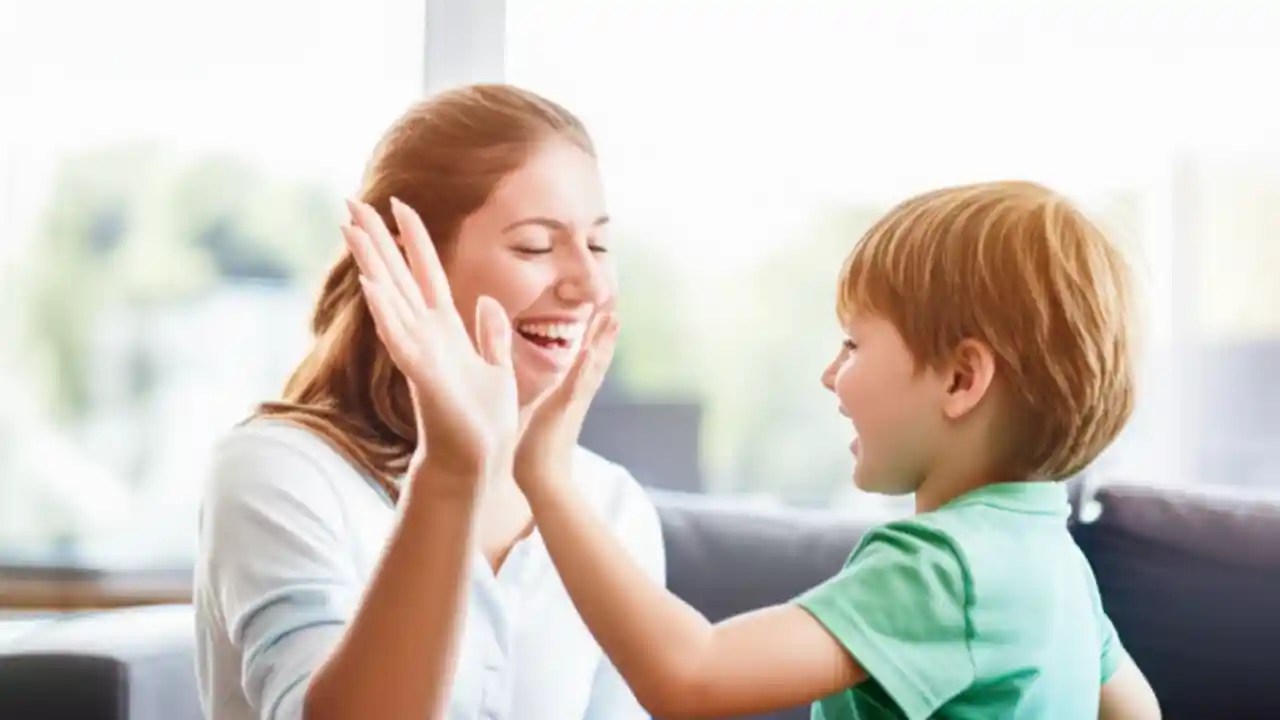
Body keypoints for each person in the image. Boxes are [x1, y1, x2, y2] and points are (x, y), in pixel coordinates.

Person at [383, 179, 1163, 718]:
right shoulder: (1054, 562)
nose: (832, 375)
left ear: (962, 377)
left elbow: (688, 677)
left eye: (854, 344)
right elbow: (1138, 709)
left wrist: (543, 475)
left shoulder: (944, 569)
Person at [193, 84, 664, 720]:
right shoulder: (278, 472)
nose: (589, 284)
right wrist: (453, 465)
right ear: (413, 265)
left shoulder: (612, 508)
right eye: (535, 246)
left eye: (599, 246)